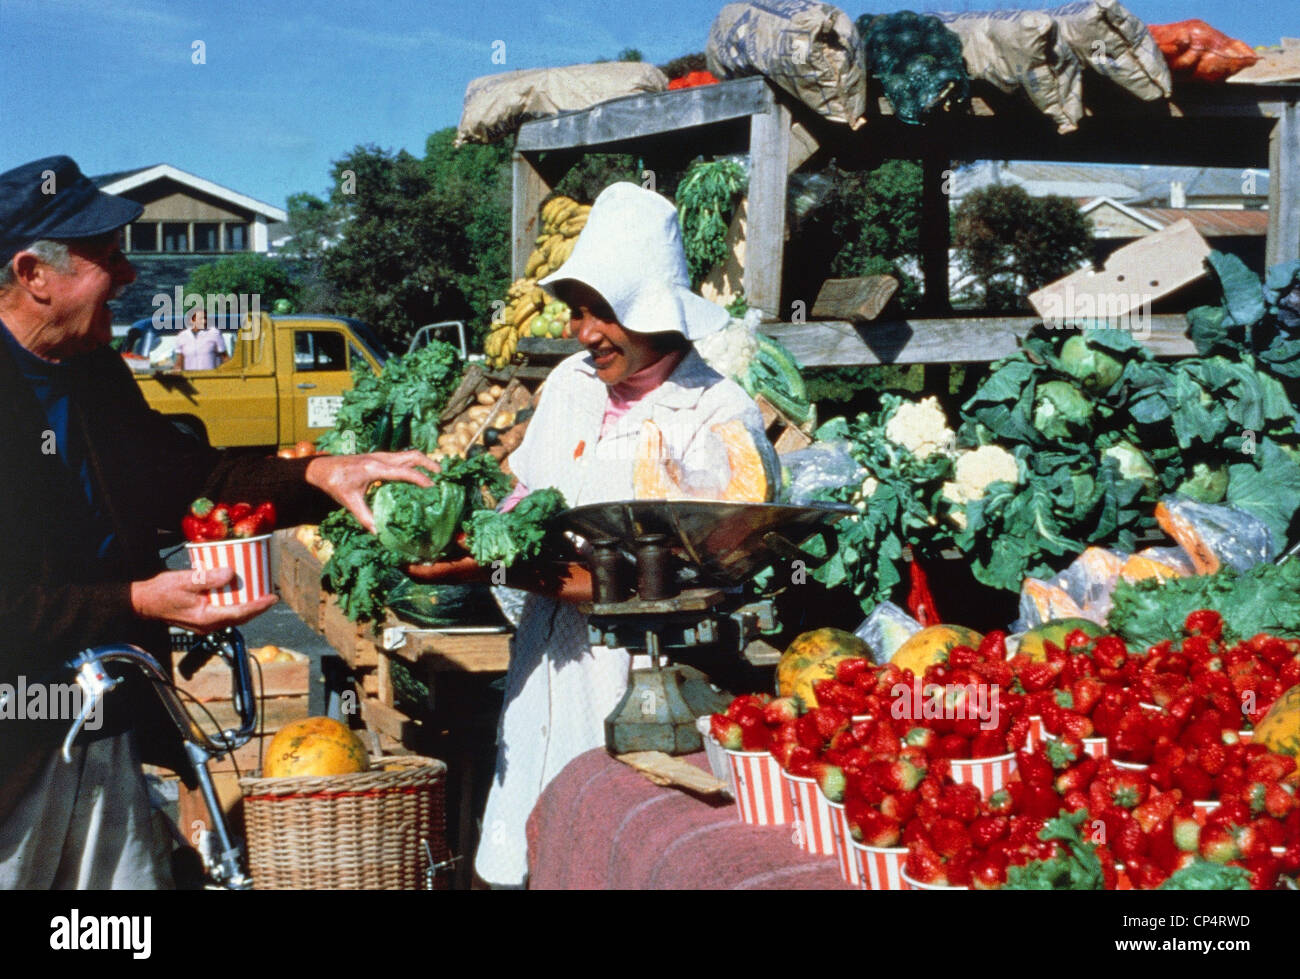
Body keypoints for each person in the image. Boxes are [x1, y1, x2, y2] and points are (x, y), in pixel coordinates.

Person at [0, 155, 438, 888]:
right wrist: (137, 601)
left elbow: (189, 478)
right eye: (109, 259)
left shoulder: (95, 373)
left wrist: (320, 473)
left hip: (103, 723)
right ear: (35, 275)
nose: (132, 276)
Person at [466, 182, 778, 887]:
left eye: (602, 312)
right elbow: (524, 501)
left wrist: (515, 570)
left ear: (651, 310)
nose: (583, 332)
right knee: (524, 851)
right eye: (578, 311)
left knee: (608, 854)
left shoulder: (715, 414)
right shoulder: (573, 387)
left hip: (636, 693)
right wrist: (482, 534)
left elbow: (707, 581)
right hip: (542, 671)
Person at [173, 306, 227, 370]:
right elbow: (179, 361)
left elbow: (225, 358)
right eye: (201, 319)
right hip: (190, 378)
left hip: (211, 378)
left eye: (205, 318)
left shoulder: (215, 333)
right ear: (191, 320)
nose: (204, 321)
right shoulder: (182, 336)